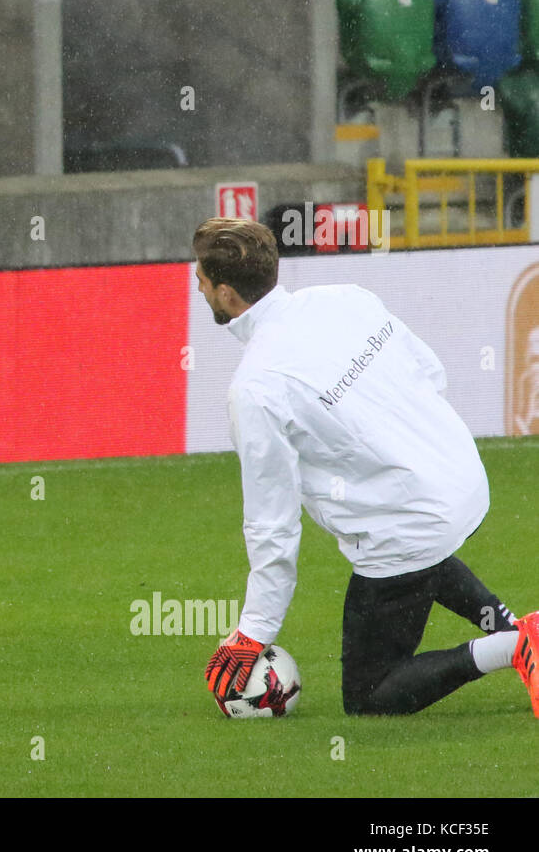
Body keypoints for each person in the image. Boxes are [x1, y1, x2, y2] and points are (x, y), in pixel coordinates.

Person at [193, 217, 539, 716]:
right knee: (420, 540)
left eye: (201, 278)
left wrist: (254, 632)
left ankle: (513, 646)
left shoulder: (255, 388)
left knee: (370, 694)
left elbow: (272, 522)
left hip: (412, 519)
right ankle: (513, 628)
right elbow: (429, 370)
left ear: (226, 294)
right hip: (463, 478)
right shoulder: (343, 298)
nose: (197, 285)